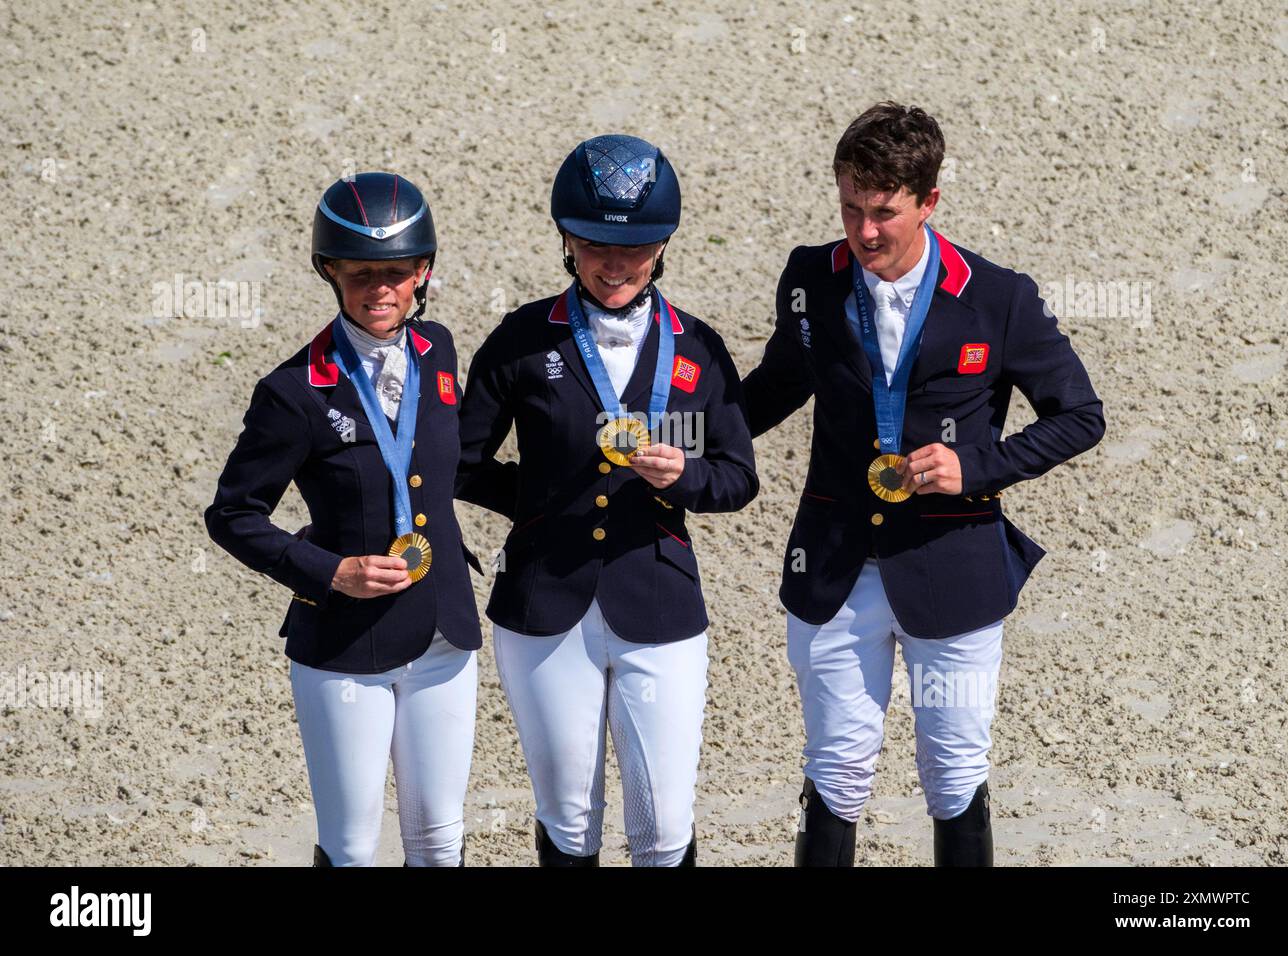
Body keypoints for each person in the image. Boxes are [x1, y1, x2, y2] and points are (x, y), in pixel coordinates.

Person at [742, 102, 1105, 866]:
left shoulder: (999, 296)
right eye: (850, 208)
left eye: (884, 213)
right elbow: (777, 385)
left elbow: (1080, 416)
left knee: (953, 773)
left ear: (929, 201)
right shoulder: (810, 276)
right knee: (835, 770)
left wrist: (978, 467)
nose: (864, 231)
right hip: (836, 565)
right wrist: (685, 438)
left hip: (953, 562)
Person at [456, 135, 758, 866]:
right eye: (594, 245)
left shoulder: (698, 349)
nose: (614, 265)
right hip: (543, 607)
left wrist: (682, 478)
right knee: (569, 819)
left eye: (635, 248)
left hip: (659, 600)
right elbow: (462, 462)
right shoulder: (522, 340)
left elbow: (738, 477)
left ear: (662, 246)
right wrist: (537, 499)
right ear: (567, 240)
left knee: (664, 824)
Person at [204, 172, 482, 866]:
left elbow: (448, 468)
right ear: (330, 271)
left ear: (422, 271)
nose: (379, 289)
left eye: (396, 273)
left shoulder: (440, 352)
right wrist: (331, 571)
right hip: (344, 647)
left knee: (440, 840)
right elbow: (232, 514)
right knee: (353, 847)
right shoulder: (291, 391)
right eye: (360, 273)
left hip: (444, 631)